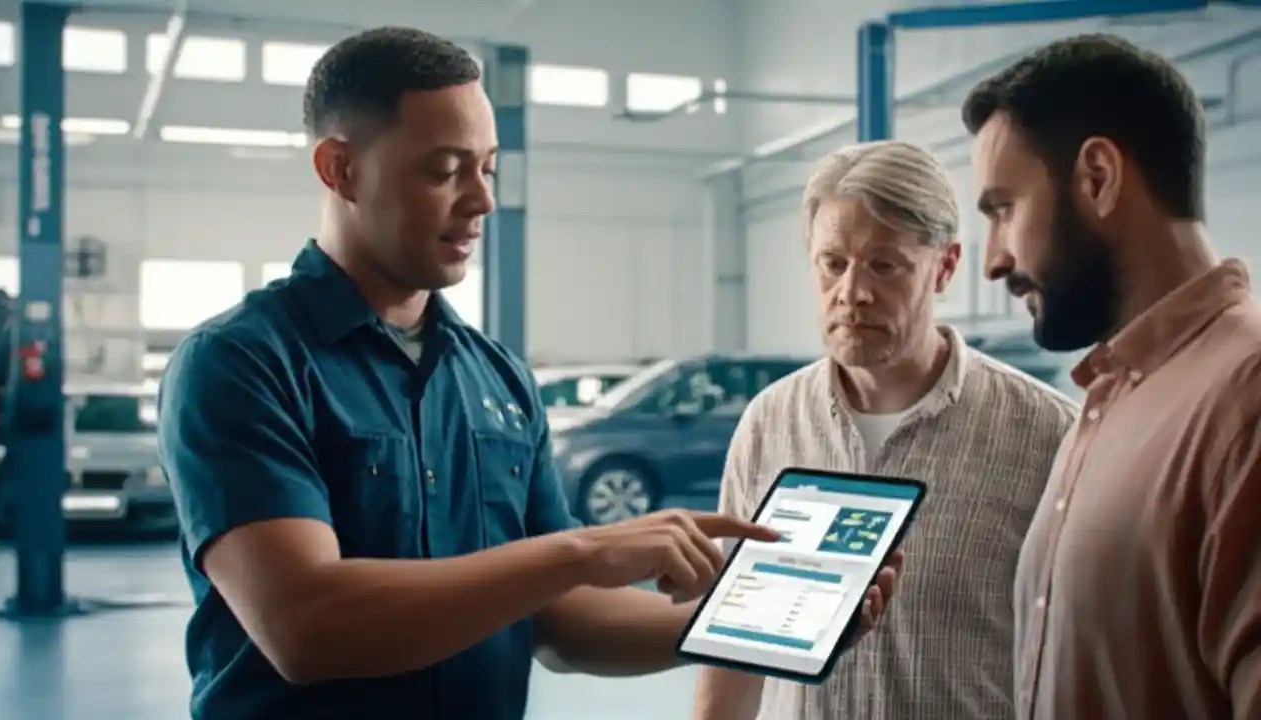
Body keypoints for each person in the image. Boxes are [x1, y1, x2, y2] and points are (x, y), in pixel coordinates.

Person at [155, 26, 902, 720]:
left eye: (487, 169)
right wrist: (581, 552)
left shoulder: (496, 380)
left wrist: (761, 626)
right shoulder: (243, 363)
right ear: (340, 169)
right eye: (445, 171)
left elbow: (562, 619)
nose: (482, 201)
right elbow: (306, 625)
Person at [692, 140, 1077, 720]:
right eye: (833, 263)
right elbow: (732, 655)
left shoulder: (1045, 434)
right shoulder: (770, 422)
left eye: (884, 265)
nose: (853, 293)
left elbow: (1077, 656)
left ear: (944, 267)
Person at [963, 33, 1261, 720]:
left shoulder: (1245, 400)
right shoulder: (1112, 395)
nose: (993, 262)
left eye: (1004, 210)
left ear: (1097, 178)